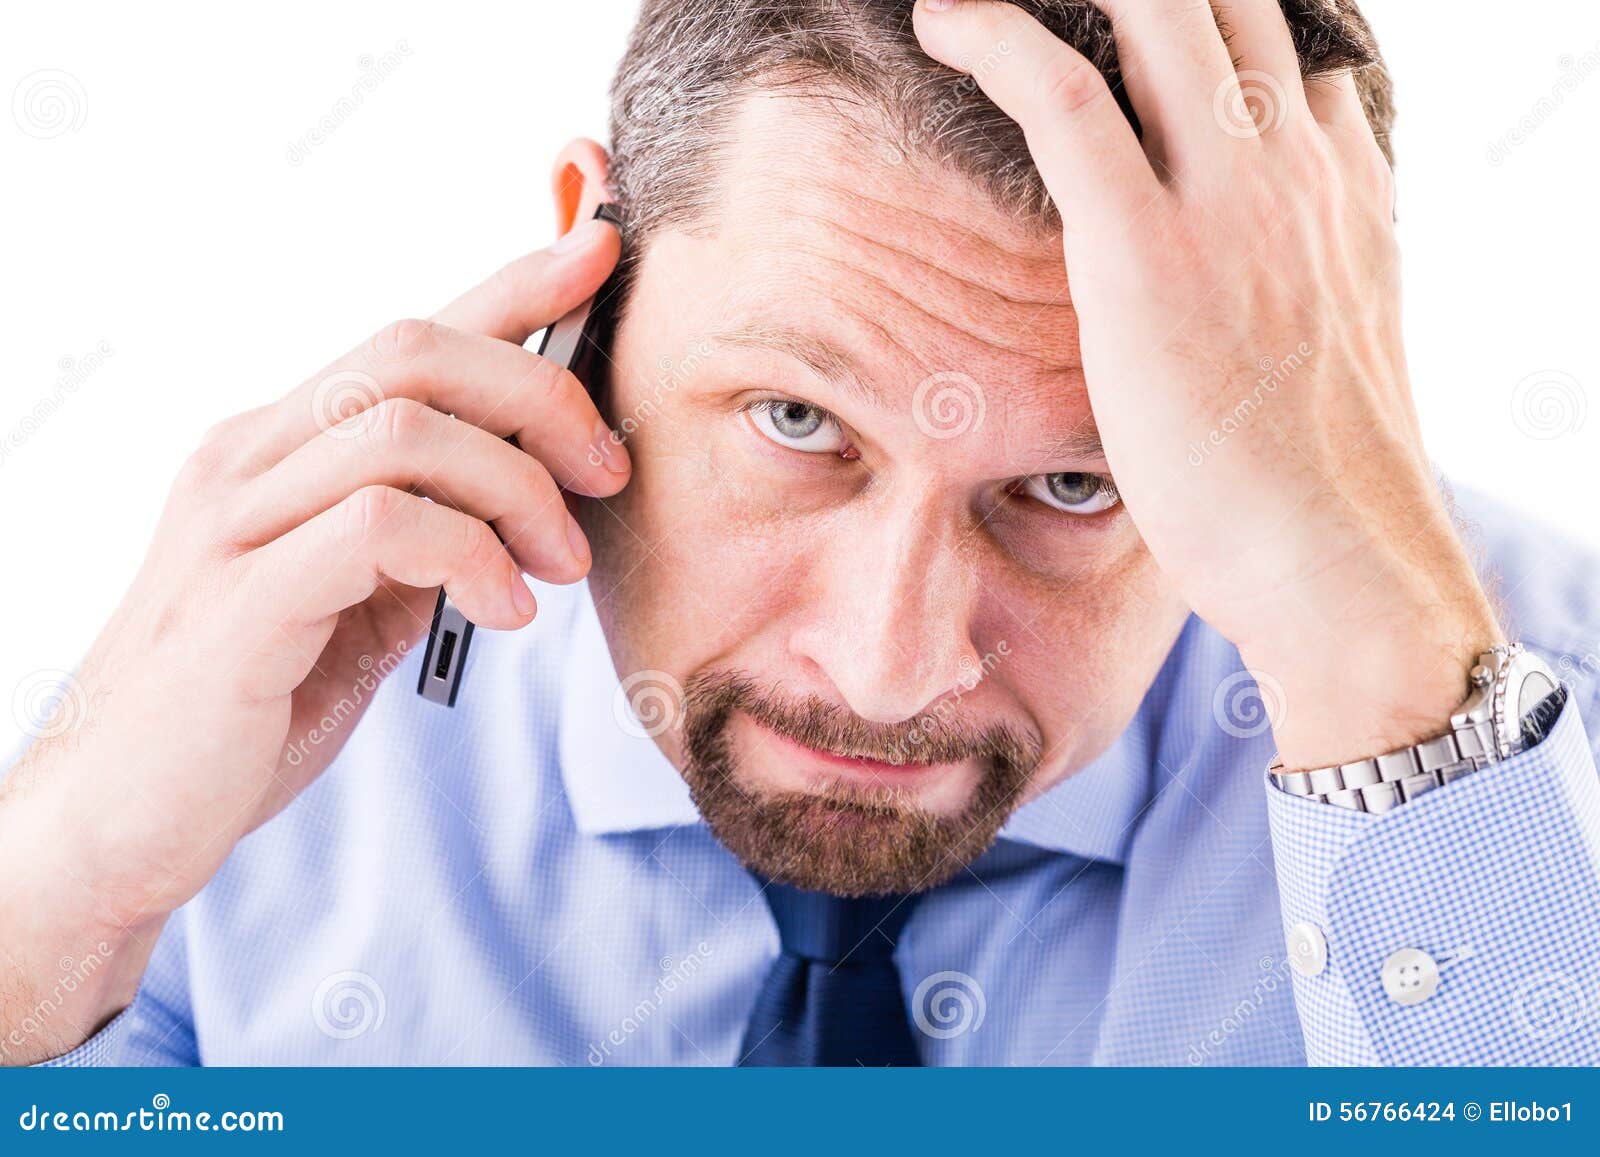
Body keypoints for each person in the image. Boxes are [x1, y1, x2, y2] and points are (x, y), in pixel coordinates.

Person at [3, 0, 1597, 1067]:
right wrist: (52, 907)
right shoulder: (244, 713)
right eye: (796, 423)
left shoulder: (1540, 746)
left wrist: (1396, 701)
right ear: (590, 275)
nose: (891, 666)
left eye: (1079, 481)